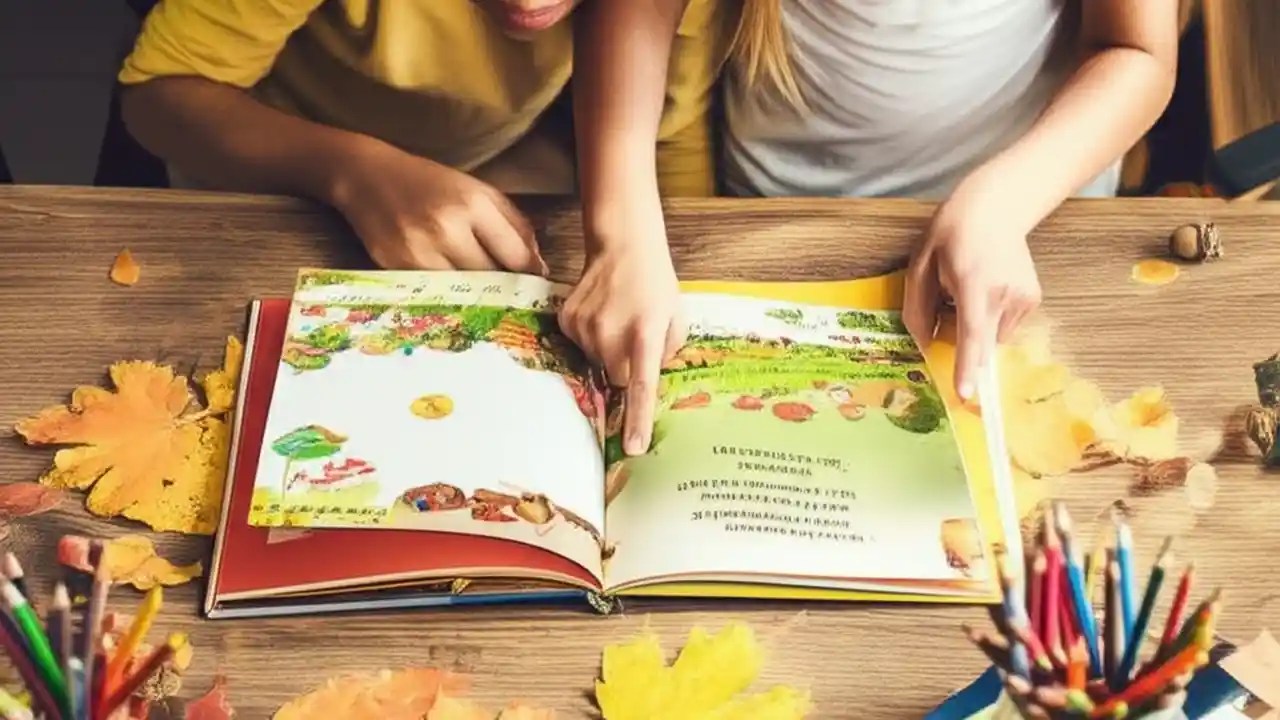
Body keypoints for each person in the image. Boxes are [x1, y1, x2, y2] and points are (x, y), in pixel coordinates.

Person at [572, 0, 1177, 455]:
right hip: (778, 228)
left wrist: (1005, 201)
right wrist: (620, 232)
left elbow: (1138, 51)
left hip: (1029, 231)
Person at [117, 0, 729, 272]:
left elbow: (665, 141)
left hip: (482, 156)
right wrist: (351, 171)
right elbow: (157, 97)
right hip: (265, 170)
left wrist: (676, 275)